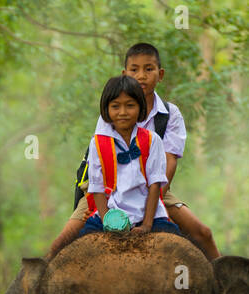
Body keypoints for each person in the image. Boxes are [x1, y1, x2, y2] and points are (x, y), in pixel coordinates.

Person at [46, 42, 221, 260]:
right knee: (62, 242)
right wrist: (109, 214)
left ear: (160, 74)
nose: (142, 76)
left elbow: (169, 163)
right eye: (134, 69)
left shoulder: (169, 114)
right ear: (124, 73)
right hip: (108, 189)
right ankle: (35, 286)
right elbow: (103, 158)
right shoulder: (110, 114)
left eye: (149, 69)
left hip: (153, 188)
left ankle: (223, 286)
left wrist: (147, 207)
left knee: (203, 233)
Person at [76, 74, 183, 240]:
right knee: (79, 247)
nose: (123, 112)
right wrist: (107, 223)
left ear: (140, 108)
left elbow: (155, 185)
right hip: (111, 212)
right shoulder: (97, 143)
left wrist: (147, 225)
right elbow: (97, 187)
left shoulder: (152, 140)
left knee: (176, 243)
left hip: (149, 214)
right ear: (106, 109)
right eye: (115, 106)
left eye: (130, 105)